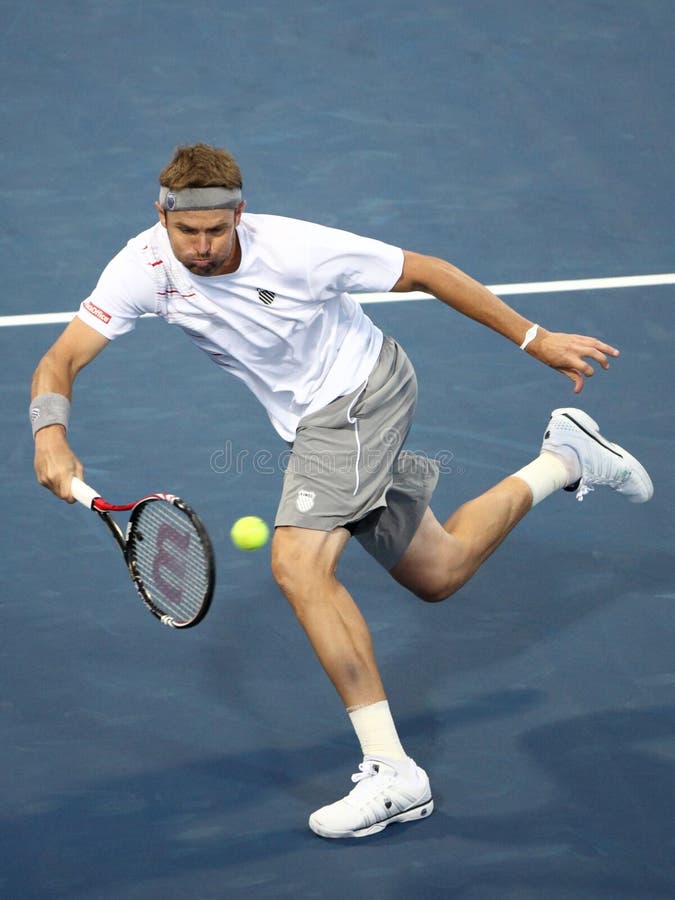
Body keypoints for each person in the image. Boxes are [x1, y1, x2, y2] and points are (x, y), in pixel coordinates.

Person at [30, 142, 653, 839]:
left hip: (359, 396)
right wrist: (48, 433)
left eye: (214, 230)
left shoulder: (298, 250)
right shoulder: (141, 268)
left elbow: (427, 271)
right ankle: (566, 457)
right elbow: (61, 358)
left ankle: (393, 773)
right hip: (308, 422)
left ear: (239, 213)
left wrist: (533, 338)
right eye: (186, 232)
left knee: (296, 564)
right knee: (438, 572)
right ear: (161, 218)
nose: (200, 247)